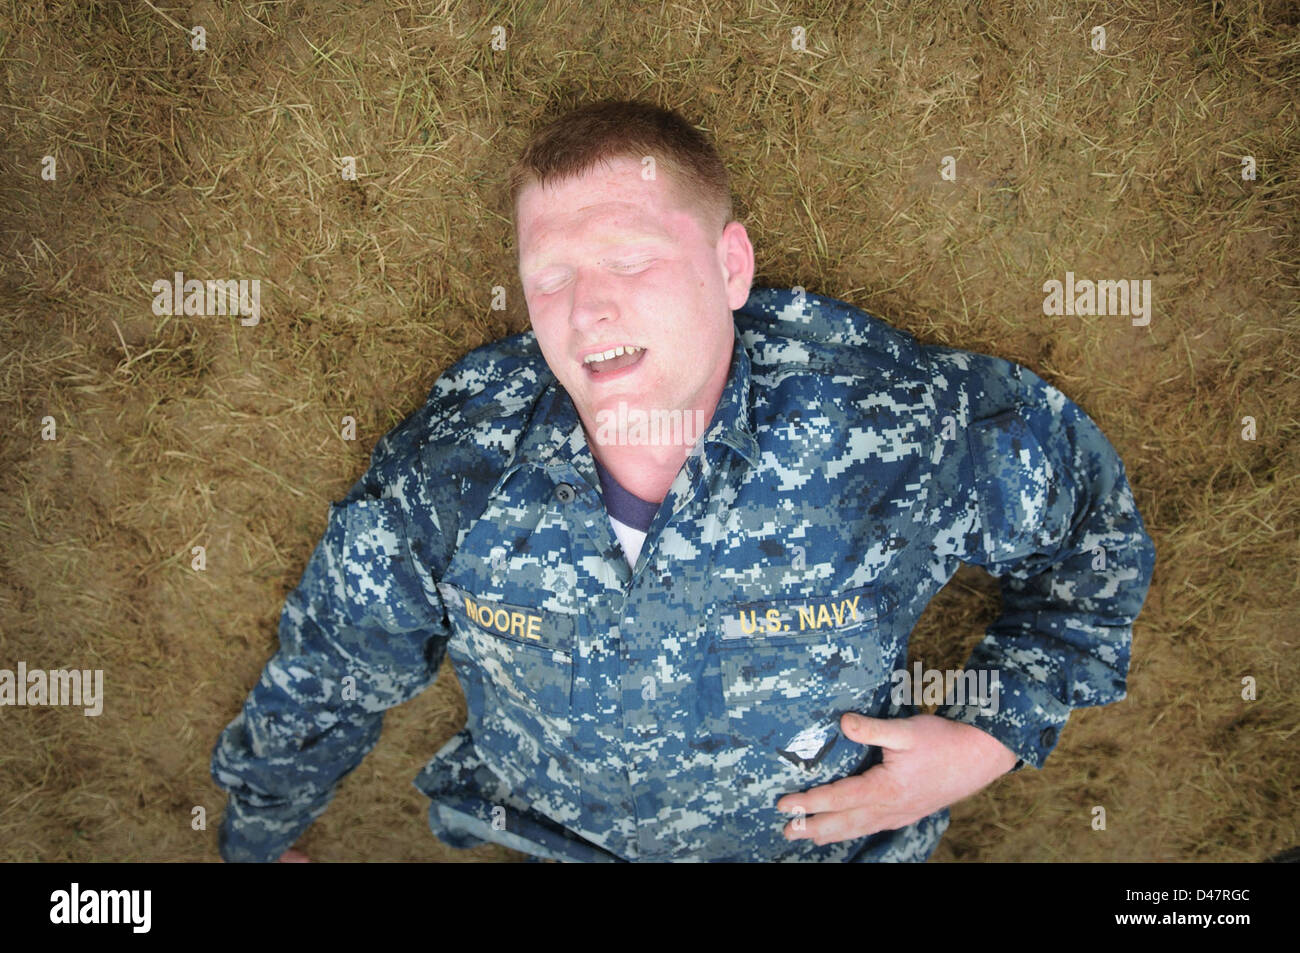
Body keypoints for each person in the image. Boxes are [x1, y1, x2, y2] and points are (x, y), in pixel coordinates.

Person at [210, 99, 1156, 862]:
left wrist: (984, 745)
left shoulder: (892, 426)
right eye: (551, 277)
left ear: (730, 265)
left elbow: (1093, 545)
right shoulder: (457, 468)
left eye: (630, 259)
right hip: (551, 838)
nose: (588, 310)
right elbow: (333, 667)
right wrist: (257, 838)